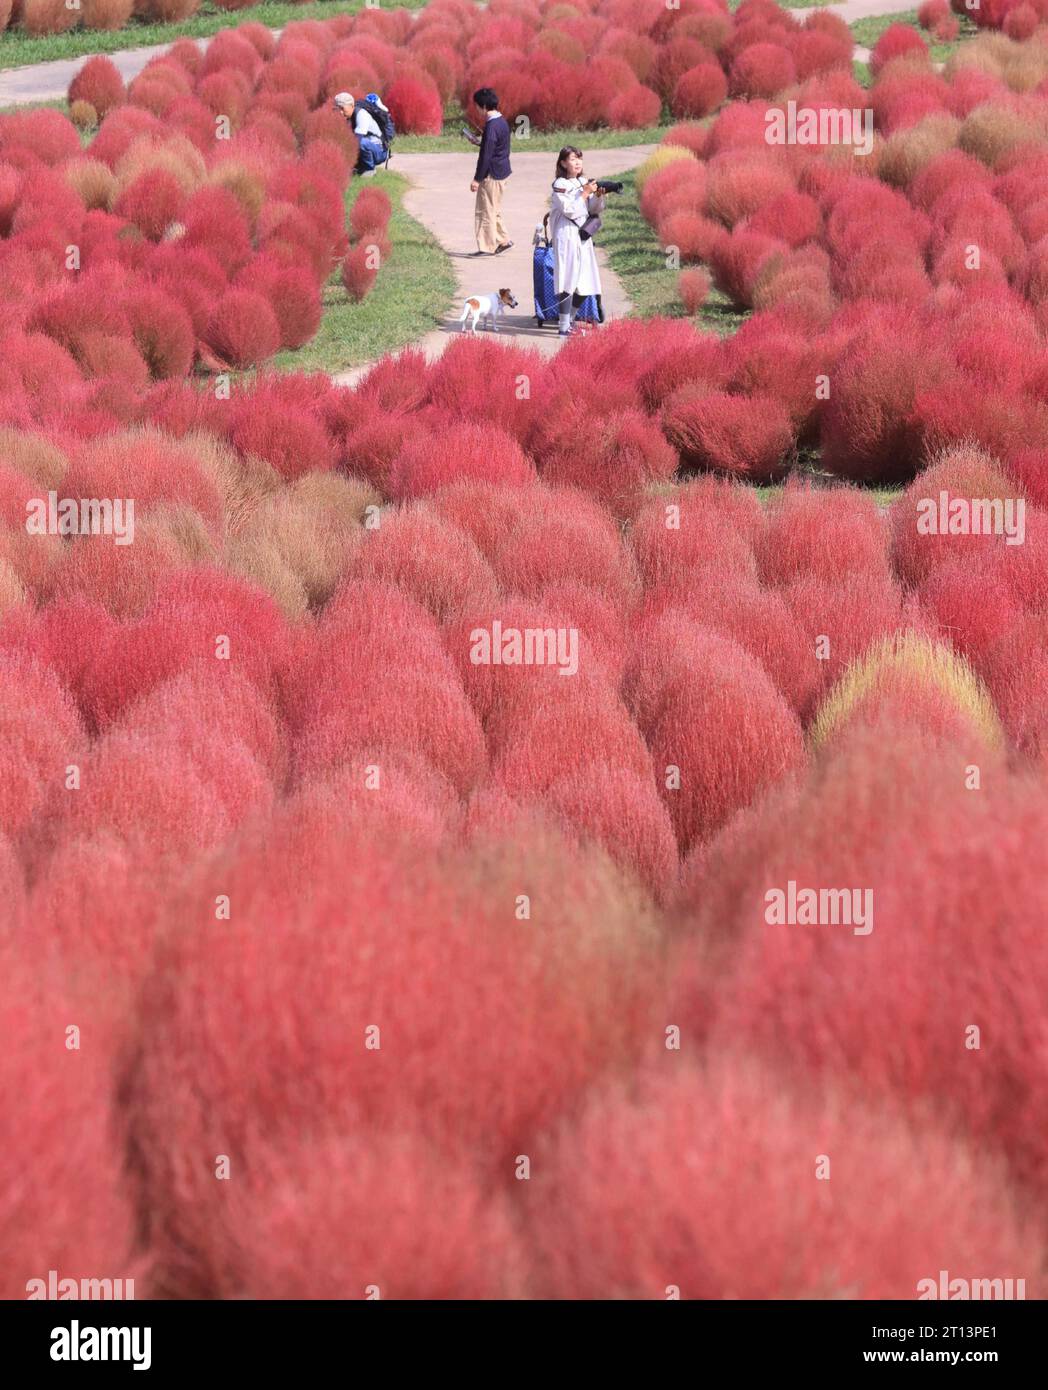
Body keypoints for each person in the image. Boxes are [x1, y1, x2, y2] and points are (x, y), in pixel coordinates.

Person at [549, 146, 605, 336]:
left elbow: (595, 210)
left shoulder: (583, 181)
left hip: (583, 235)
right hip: (566, 234)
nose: (578, 162)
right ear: (563, 163)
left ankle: (571, 319)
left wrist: (598, 195)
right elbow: (569, 209)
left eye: (579, 158)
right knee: (567, 278)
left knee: (587, 279)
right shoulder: (559, 184)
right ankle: (563, 326)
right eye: (573, 159)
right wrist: (584, 193)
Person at [470, 87, 512, 257]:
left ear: (484, 106)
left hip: (492, 175)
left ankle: (486, 247)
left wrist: (477, 179)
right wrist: (481, 142)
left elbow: (486, 156)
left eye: (477, 106)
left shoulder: (491, 125)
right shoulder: (501, 121)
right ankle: (504, 240)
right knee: (494, 209)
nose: (477, 109)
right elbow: (496, 147)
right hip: (502, 172)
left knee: (485, 211)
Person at [333, 92, 388, 175]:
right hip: (368, 148)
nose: (340, 112)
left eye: (342, 108)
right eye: (338, 109)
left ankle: (369, 169)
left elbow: (357, 140)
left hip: (379, 150)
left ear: (351, 105)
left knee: (360, 143)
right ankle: (359, 167)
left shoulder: (361, 115)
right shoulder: (346, 118)